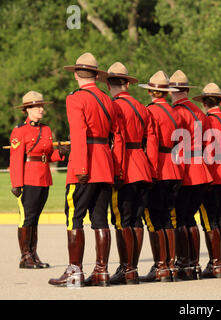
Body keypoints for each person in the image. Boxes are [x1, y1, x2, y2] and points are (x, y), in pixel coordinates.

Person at [49, 52, 124, 287]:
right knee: (100, 220)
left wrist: (81, 167)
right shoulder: (106, 99)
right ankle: (102, 271)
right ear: (96, 75)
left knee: (74, 218)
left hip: (86, 164)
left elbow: (79, 135)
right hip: (104, 164)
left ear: (75, 74)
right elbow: (115, 134)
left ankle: (74, 271)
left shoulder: (76, 98)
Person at [102, 62, 155, 285]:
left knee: (121, 220)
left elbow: (118, 141)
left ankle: (127, 268)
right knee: (136, 220)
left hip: (125, 167)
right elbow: (151, 140)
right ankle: (131, 267)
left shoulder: (113, 106)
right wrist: (151, 168)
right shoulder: (143, 107)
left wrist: (118, 170)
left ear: (109, 85)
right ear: (127, 84)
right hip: (143, 165)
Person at [10, 91, 68, 269]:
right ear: (28, 109)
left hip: (43, 178)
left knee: (35, 218)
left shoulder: (46, 129)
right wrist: (17, 184)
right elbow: (16, 159)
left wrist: (63, 154)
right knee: (27, 218)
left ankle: (33, 255)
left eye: (42, 106)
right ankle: (25, 256)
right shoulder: (19, 131)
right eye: (37, 106)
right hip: (28, 179)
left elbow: (49, 155)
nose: (41, 109)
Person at [138, 71, 183, 282]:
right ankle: (171, 266)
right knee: (168, 219)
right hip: (175, 165)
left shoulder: (151, 111)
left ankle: (161, 266)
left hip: (161, 168)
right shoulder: (175, 112)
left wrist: (152, 171)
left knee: (155, 219)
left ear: (150, 91)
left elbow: (153, 143)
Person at [169, 70, 213, 280]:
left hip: (185, 167)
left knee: (180, 218)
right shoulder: (199, 112)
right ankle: (193, 264)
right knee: (190, 218)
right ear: (187, 89)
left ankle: (184, 262)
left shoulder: (176, 111)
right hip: (201, 166)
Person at [193, 83, 221, 278]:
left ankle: (215, 263)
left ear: (203, 102)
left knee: (210, 221)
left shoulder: (205, 120)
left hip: (211, 172)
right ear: (220, 101)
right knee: (220, 219)